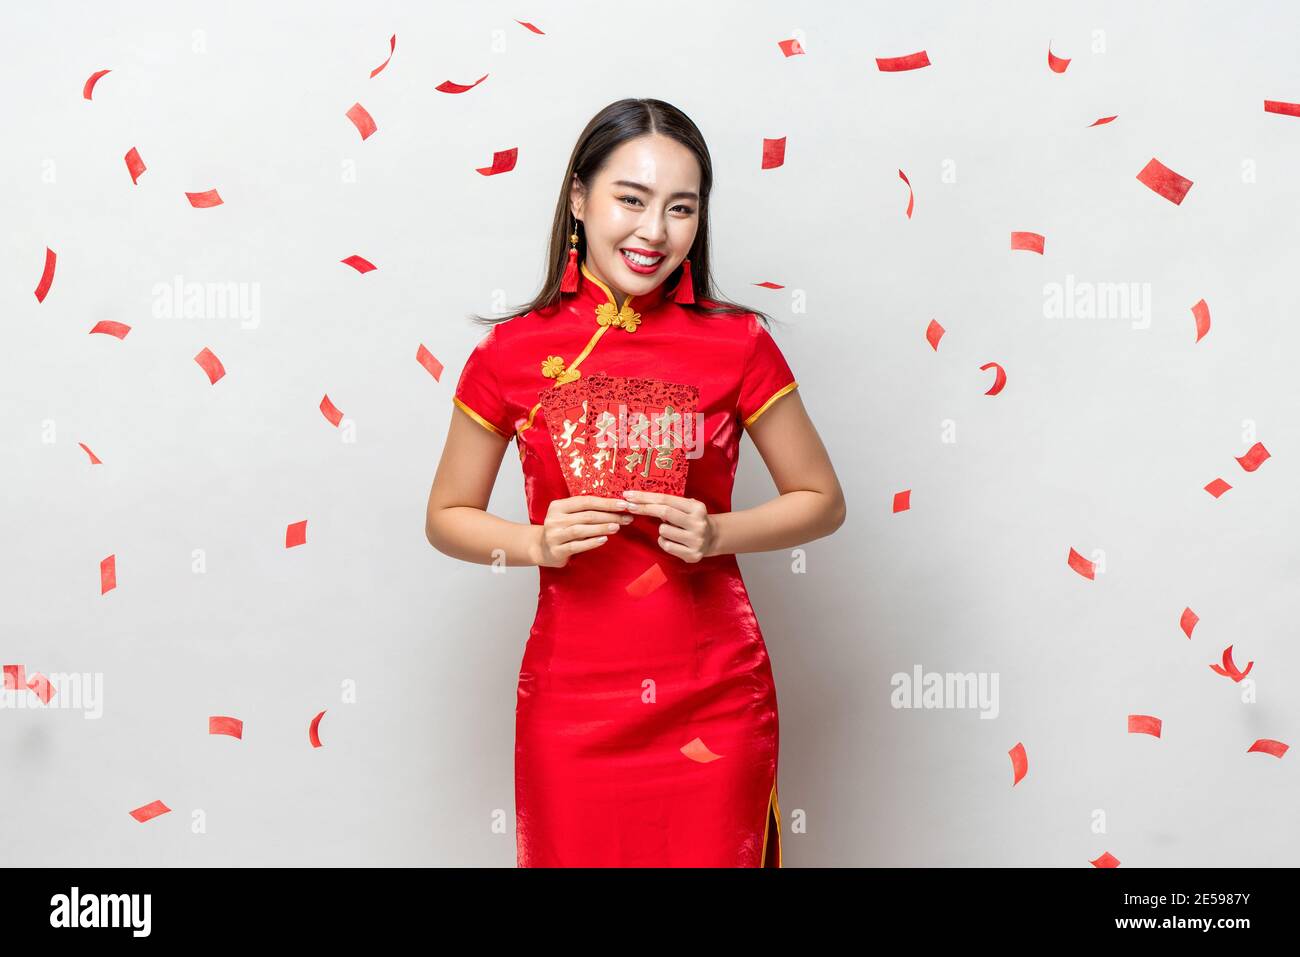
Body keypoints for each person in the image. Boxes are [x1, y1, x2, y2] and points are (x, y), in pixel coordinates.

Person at [425, 98, 846, 866]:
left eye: (681, 208)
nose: (655, 231)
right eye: (632, 199)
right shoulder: (510, 353)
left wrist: (722, 532)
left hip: (712, 696)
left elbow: (822, 500)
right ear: (579, 199)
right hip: (571, 703)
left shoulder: (737, 344)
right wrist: (533, 541)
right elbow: (447, 514)